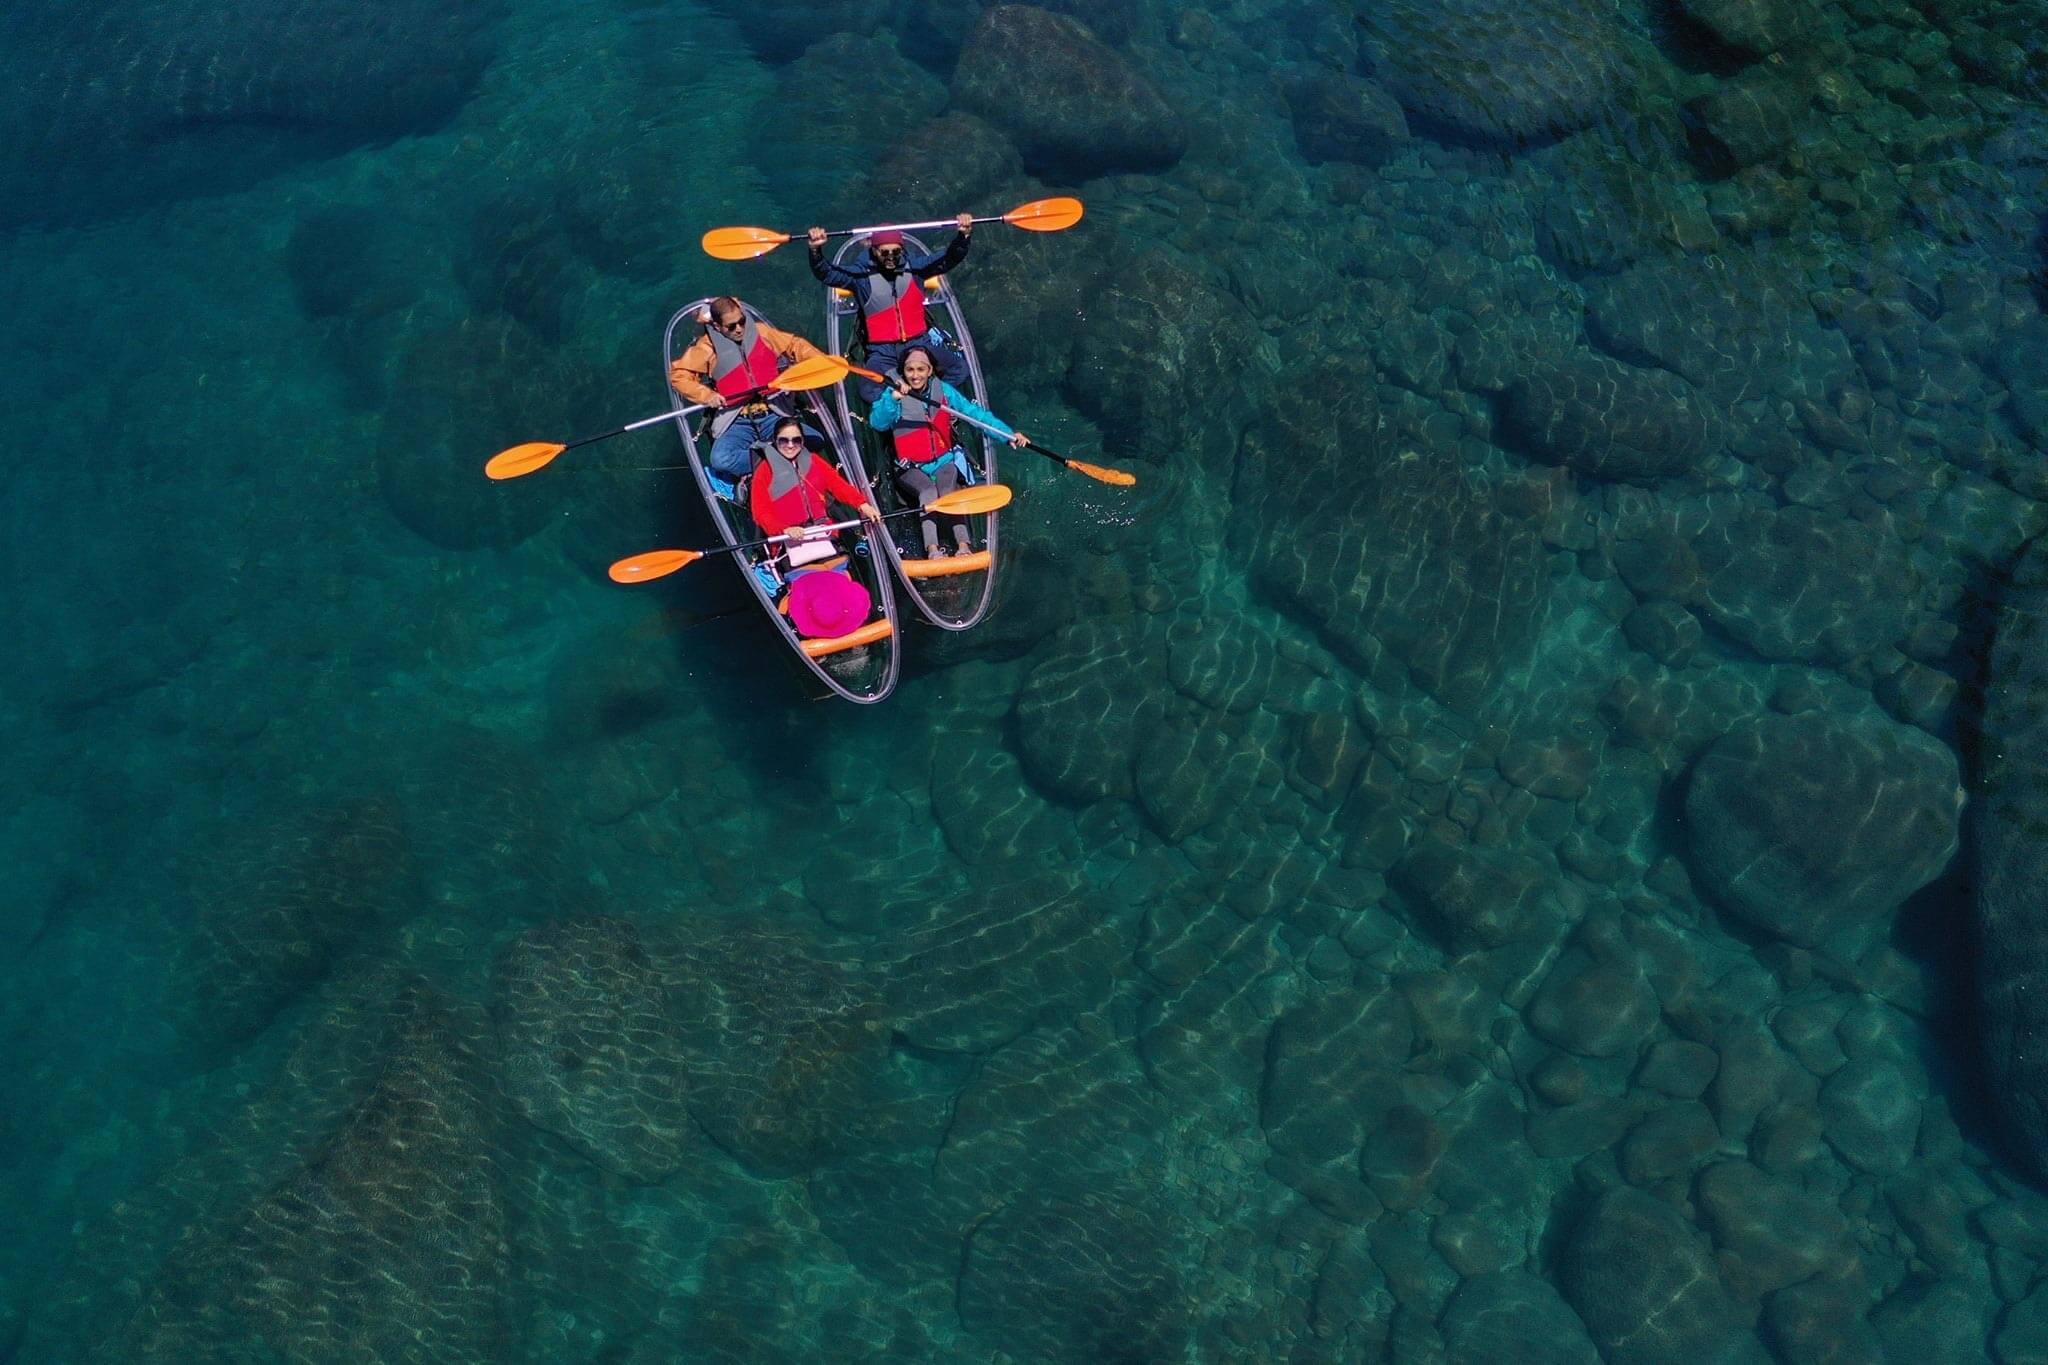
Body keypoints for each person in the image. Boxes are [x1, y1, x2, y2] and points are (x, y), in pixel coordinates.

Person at [869, 344, 1026, 558]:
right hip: (910, 467)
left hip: (944, 460)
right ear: (903, 371)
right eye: (910, 370)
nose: (915, 376)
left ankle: (964, 547)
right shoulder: (893, 392)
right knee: (929, 493)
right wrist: (892, 399)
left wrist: (1008, 435)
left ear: (930, 370)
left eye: (920, 370)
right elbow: (878, 423)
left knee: (949, 491)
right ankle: (933, 551)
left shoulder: (944, 391)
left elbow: (976, 415)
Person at [808, 214, 974, 403]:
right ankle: (902, 403)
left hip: (919, 343)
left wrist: (963, 236)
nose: (890, 258)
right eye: (884, 253)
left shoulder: (916, 268)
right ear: (874, 250)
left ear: (902, 250)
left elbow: (950, 258)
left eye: (895, 252)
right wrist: (815, 250)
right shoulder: (859, 277)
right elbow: (827, 274)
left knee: (960, 368)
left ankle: (936, 400)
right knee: (868, 392)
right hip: (881, 351)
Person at [668, 298, 828, 484]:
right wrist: (707, 395)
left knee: (815, 439)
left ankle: (764, 460)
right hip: (737, 419)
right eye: (731, 326)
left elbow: (795, 345)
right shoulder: (707, 347)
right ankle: (776, 460)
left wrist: (822, 362)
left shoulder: (761, 332)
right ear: (718, 327)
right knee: (721, 460)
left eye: (742, 321)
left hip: (772, 413)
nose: (739, 329)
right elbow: (679, 376)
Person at [748, 417, 880, 549]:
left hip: (822, 532)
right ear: (775, 441)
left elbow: (838, 485)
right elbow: (761, 512)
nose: (790, 445)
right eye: (783, 440)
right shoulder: (764, 471)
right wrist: (785, 530)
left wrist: (862, 505)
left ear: (803, 441)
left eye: (796, 440)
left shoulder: (814, 460)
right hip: (788, 542)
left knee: (837, 566)